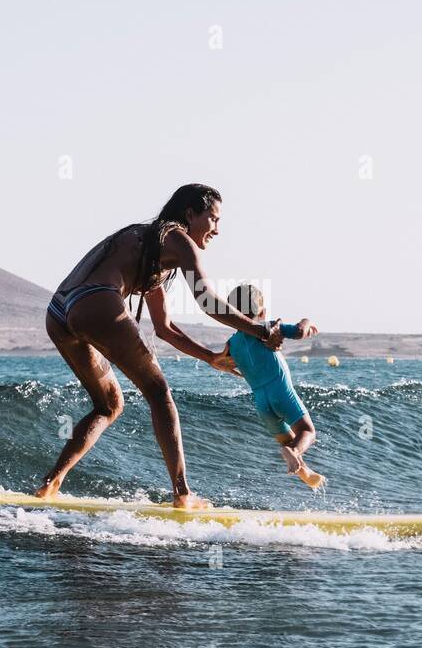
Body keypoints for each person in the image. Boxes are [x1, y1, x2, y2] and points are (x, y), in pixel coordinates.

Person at [36, 184, 285, 508]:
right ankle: (182, 494)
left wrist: (210, 357)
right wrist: (259, 329)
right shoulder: (179, 241)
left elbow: (164, 329)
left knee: (109, 405)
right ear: (190, 214)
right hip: (95, 304)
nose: (217, 230)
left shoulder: (152, 246)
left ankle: (49, 484)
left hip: (59, 313)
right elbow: (207, 300)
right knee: (159, 394)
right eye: (213, 218)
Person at [219, 283, 324, 488]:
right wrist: (307, 322)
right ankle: (294, 452)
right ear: (262, 311)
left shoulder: (231, 344)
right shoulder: (268, 328)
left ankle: (306, 474)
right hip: (280, 390)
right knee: (306, 432)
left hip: (261, 402)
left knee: (287, 440)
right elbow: (300, 331)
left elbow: (224, 361)